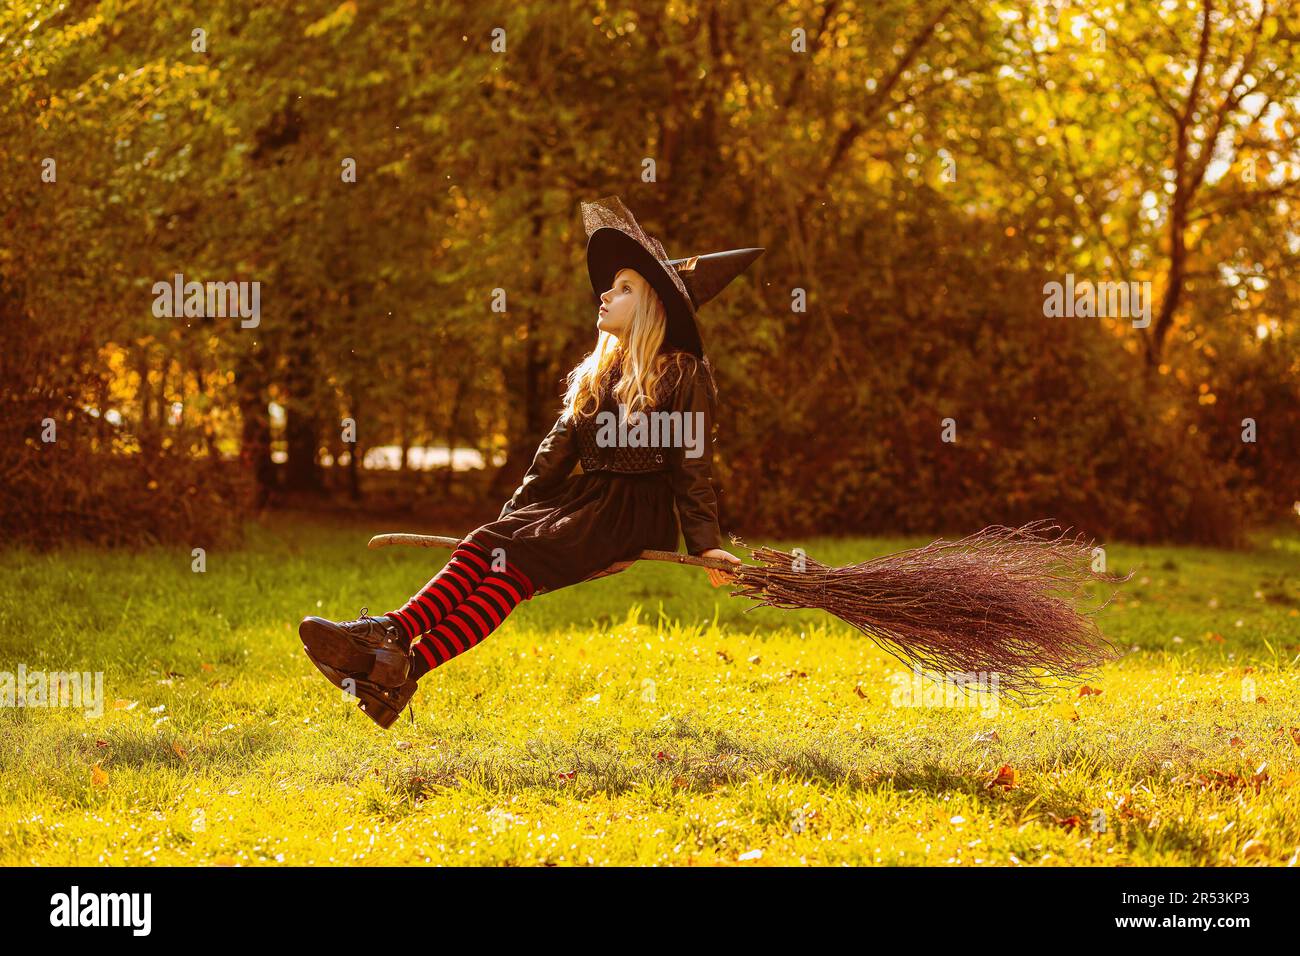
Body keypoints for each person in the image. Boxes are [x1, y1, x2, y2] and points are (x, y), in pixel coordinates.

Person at [298, 196, 764, 728]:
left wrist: (705, 543)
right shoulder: (594, 374)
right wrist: (511, 516)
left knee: (509, 561)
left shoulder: (682, 373)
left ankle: (391, 634)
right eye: (609, 287)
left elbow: (692, 463)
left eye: (625, 288)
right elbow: (552, 458)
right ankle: (398, 668)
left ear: (654, 305)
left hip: (633, 512)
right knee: (493, 553)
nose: (606, 295)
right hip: (581, 502)